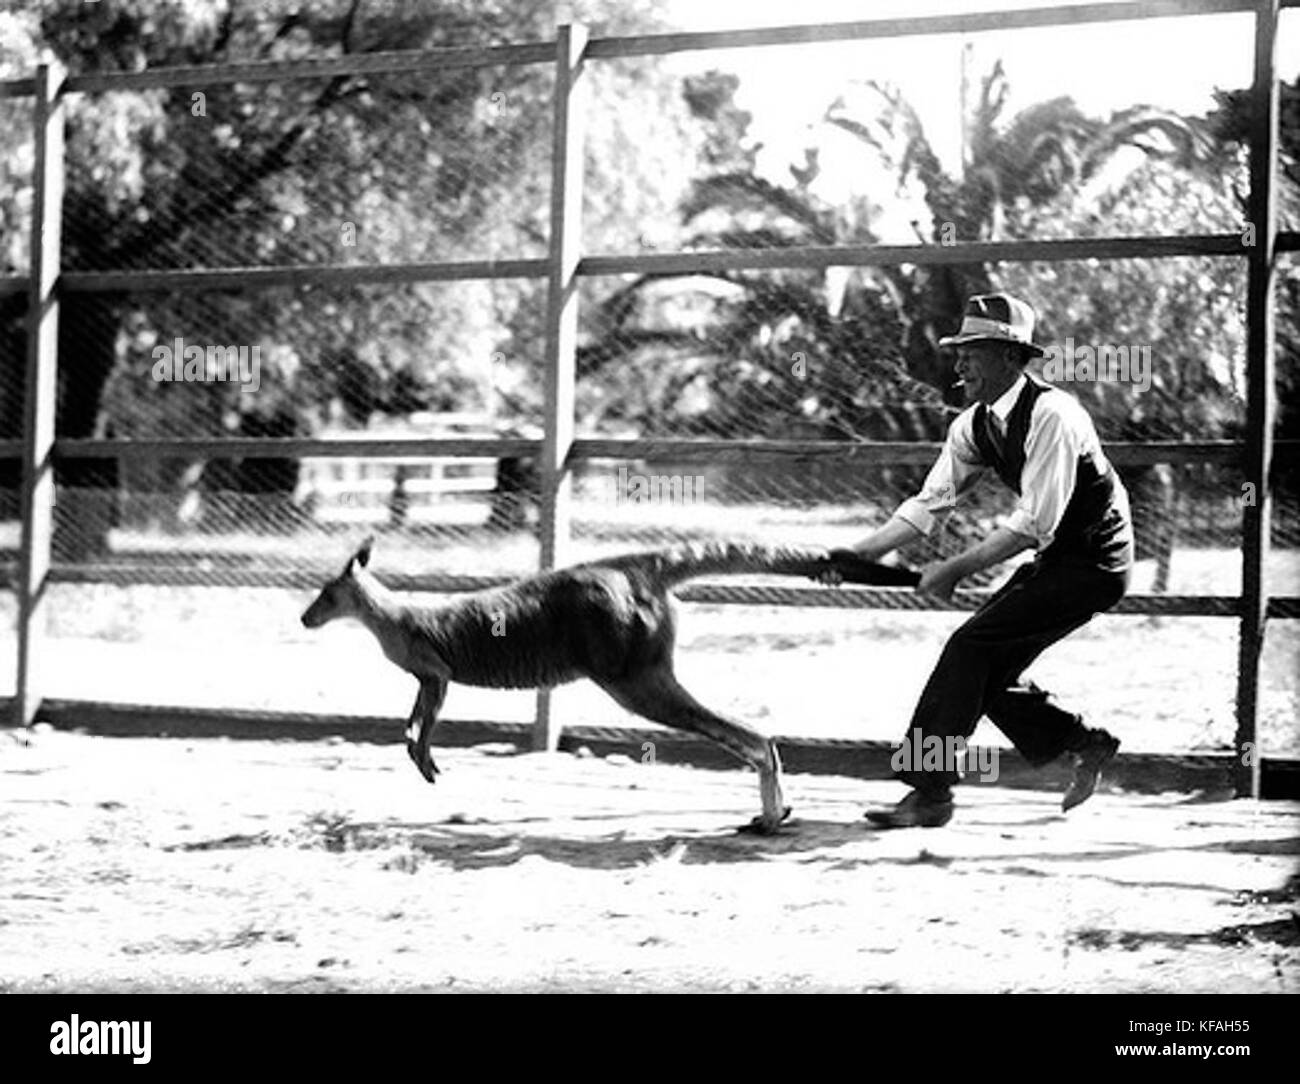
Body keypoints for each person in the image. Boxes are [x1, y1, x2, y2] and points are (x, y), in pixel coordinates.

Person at [835, 293, 1133, 828]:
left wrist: (952, 569)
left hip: (1094, 563)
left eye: (973, 350)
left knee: (968, 649)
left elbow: (1034, 522)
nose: (959, 363)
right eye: (959, 350)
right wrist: (858, 554)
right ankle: (1082, 743)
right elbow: (930, 504)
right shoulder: (973, 424)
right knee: (982, 671)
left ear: (1011, 356)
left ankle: (929, 796)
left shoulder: (1054, 416)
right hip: (1054, 560)